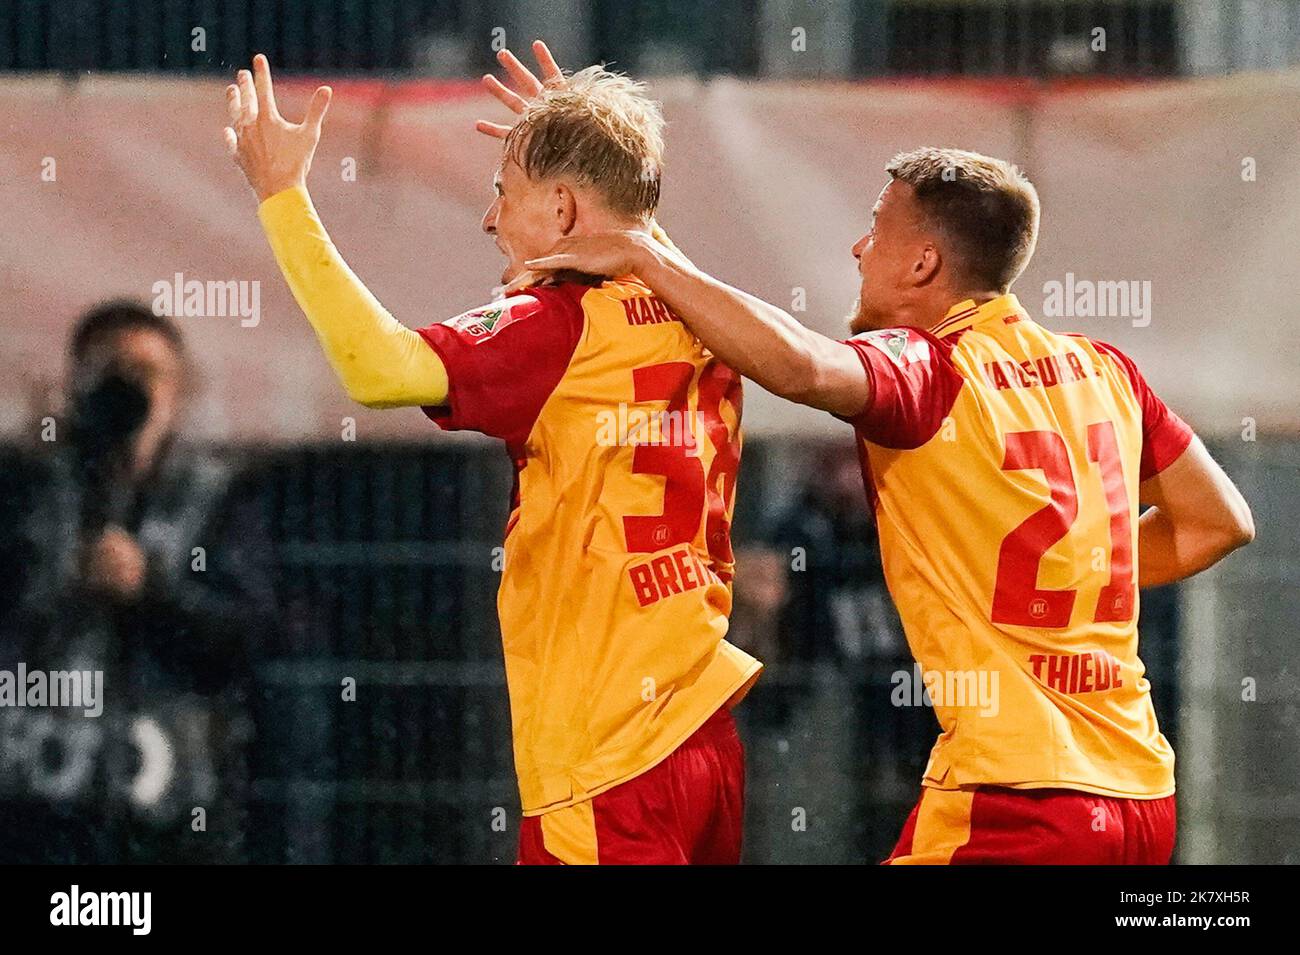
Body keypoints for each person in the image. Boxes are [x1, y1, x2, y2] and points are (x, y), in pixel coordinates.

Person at [525, 146, 1255, 864]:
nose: (856, 246)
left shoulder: (930, 368)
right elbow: (1220, 522)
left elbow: (802, 367)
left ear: (922, 264)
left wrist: (643, 260)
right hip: (1142, 797)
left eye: (875, 227)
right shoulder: (1107, 371)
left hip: (1017, 801)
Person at [222, 50, 760, 865]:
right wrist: (585, 135)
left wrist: (280, 196)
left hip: (606, 764)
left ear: (565, 208)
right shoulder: (707, 306)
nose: (489, 218)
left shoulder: (559, 324)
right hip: (703, 738)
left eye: (503, 193)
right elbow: (632, 220)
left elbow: (381, 368)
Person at [0, 300, 274, 863]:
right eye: (108, 371)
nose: (126, 388)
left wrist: (152, 590)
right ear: (76, 383)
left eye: (146, 372)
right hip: (38, 789)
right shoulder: (27, 483)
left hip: (166, 794)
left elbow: (247, 632)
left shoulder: (216, 497)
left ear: (178, 392)